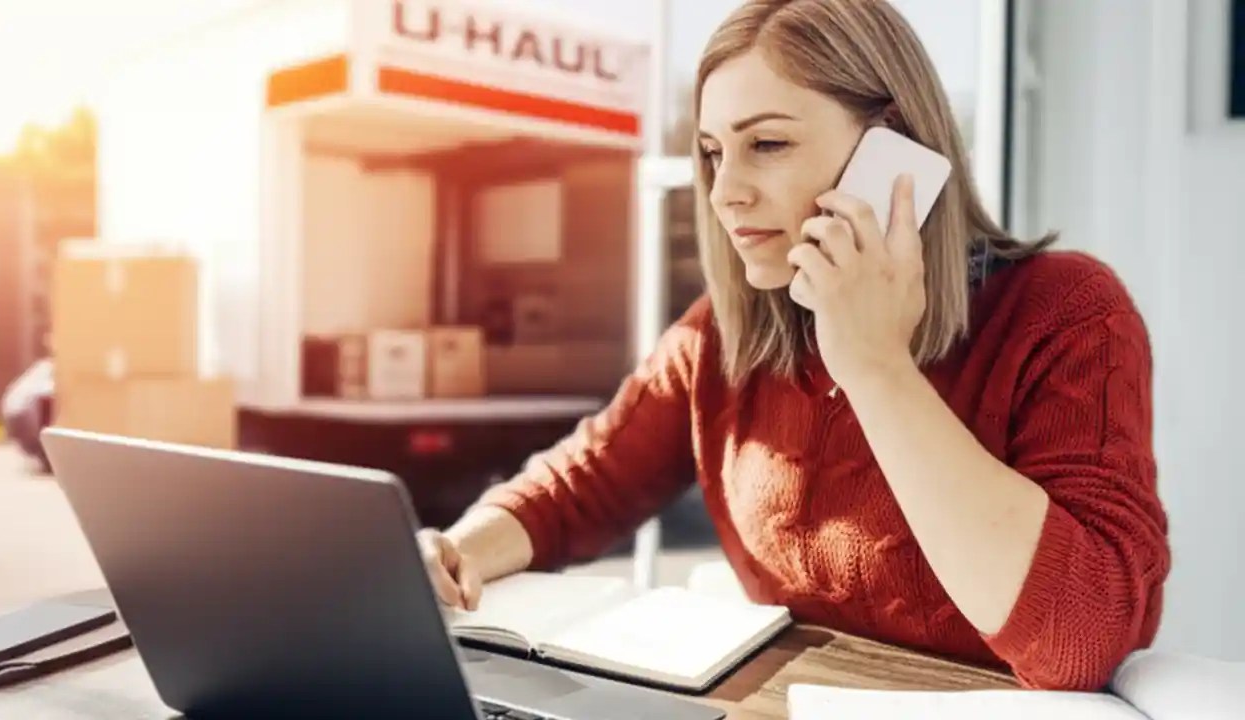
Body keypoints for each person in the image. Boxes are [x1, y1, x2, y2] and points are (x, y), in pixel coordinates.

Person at [418, 0, 1170, 692]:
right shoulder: (724, 332)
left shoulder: (1067, 313)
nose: (723, 192)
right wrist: (457, 554)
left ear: (897, 154)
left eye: (767, 144)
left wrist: (878, 368)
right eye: (713, 152)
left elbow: (1080, 639)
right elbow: (578, 487)